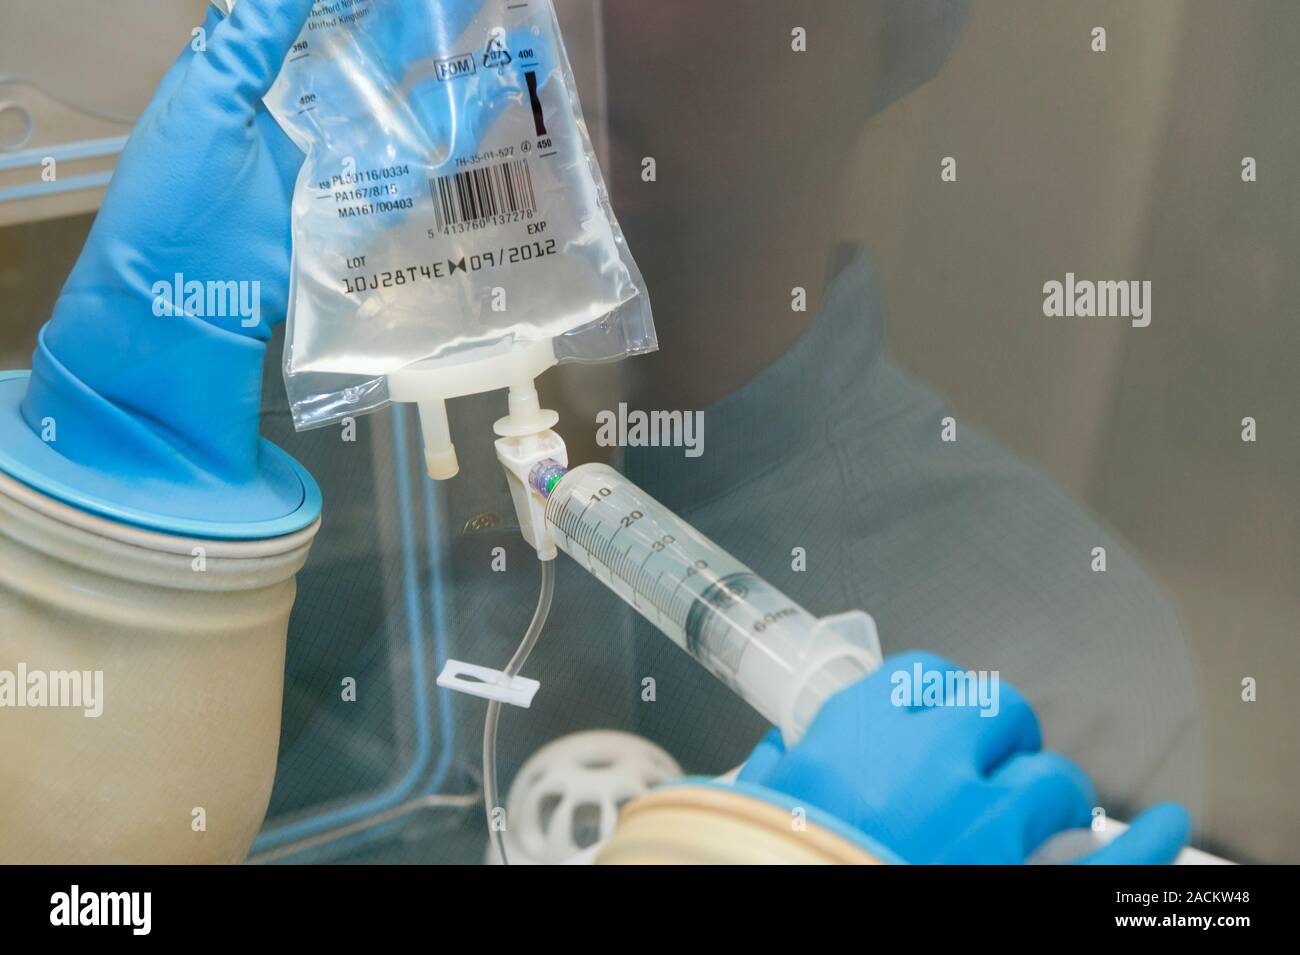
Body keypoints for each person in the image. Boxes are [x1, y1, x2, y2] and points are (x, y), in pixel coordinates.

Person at [4, 0, 1198, 863]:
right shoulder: (265, 507)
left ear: (887, 26)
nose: (546, 17)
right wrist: (111, 526)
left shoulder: (1053, 633)